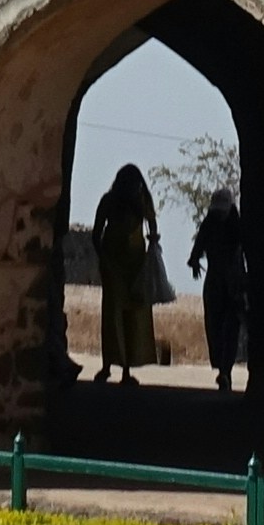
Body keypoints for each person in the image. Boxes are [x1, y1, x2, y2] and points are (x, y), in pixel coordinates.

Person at [90, 164, 166, 384]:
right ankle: (116, 368)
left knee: (123, 315)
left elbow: (97, 234)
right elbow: (152, 230)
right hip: (121, 262)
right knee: (124, 315)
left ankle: (118, 368)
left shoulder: (123, 201)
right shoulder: (127, 201)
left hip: (129, 263)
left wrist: (102, 257)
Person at [188, 185, 256, 396]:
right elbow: (196, 252)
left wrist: (196, 262)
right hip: (225, 282)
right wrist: (195, 262)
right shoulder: (218, 224)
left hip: (227, 284)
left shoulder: (228, 225)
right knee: (220, 327)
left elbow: (197, 252)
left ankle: (224, 369)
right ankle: (223, 368)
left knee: (226, 328)